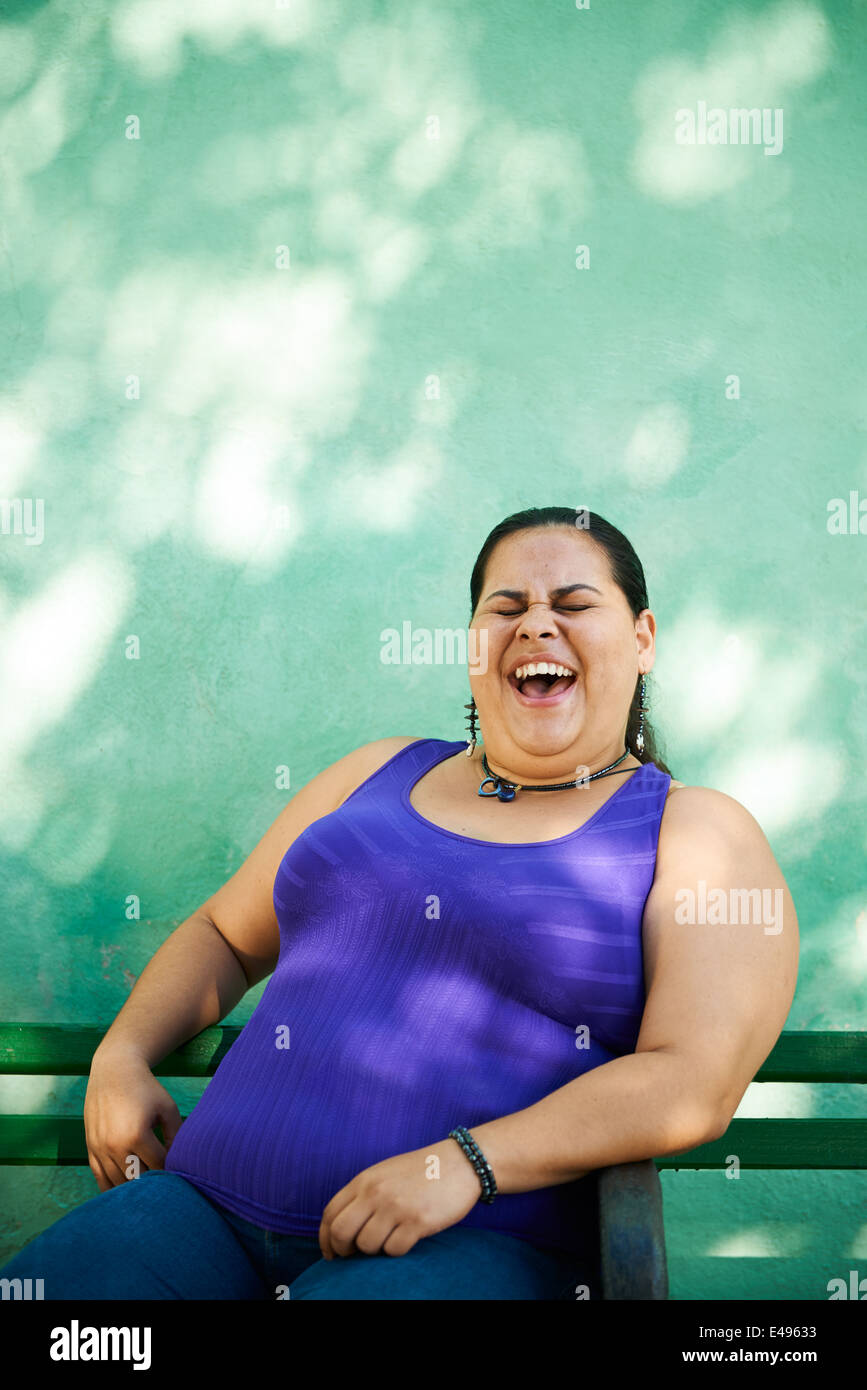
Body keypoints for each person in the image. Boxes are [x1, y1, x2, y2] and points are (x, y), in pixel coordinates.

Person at [0, 505, 799, 1300]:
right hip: (198, 1215)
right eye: (507, 608)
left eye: (575, 604)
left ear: (641, 639)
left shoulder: (692, 831)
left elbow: (692, 1079)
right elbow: (225, 933)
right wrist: (123, 1054)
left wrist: (463, 1165)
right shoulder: (374, 773)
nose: (536, 627)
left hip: (466, 1251)